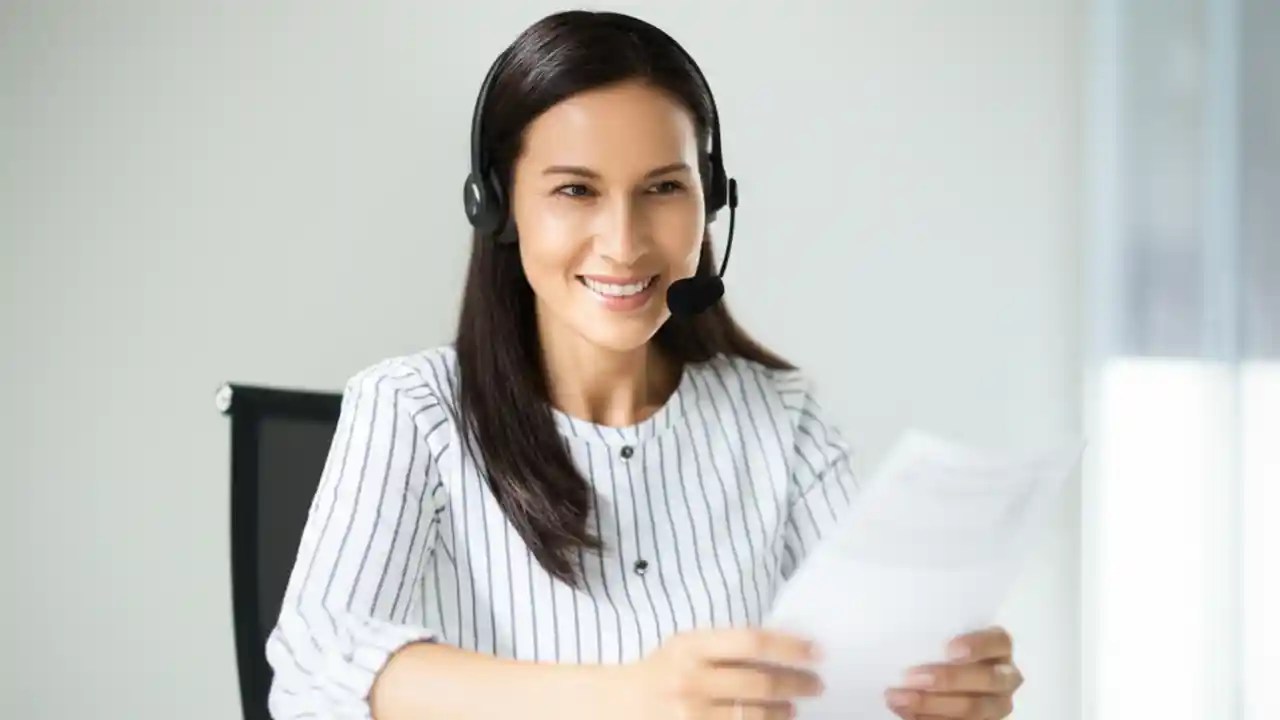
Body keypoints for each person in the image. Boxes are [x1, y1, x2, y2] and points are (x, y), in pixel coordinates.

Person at [265, 10, 1023, 720]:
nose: (624, 243)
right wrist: (624, 697)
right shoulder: (413, 408)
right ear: (498, 207)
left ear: (712, 199)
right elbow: (312, 672)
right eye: (575, 190)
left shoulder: (782, 419)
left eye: (663, 188)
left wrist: (930, 696)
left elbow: (846, 682)